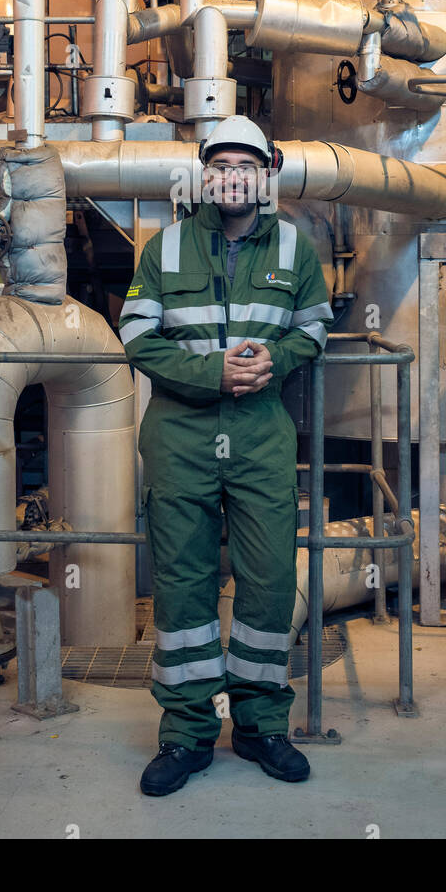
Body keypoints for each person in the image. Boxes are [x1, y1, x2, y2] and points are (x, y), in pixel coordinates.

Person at [118, 115, 334, 796]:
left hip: (260, 435)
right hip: (180, 436)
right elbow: (134, 336)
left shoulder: (297, 248)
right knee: (182, 583)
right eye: (219, 165)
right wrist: (212, 374)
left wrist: (278, 358)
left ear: (266, 173)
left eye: (245, 164)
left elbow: (315, 326)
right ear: (203, 177)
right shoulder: (165, 247)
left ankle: (261, 724)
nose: (231, 176)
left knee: (269, 581)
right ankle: (186, 734)